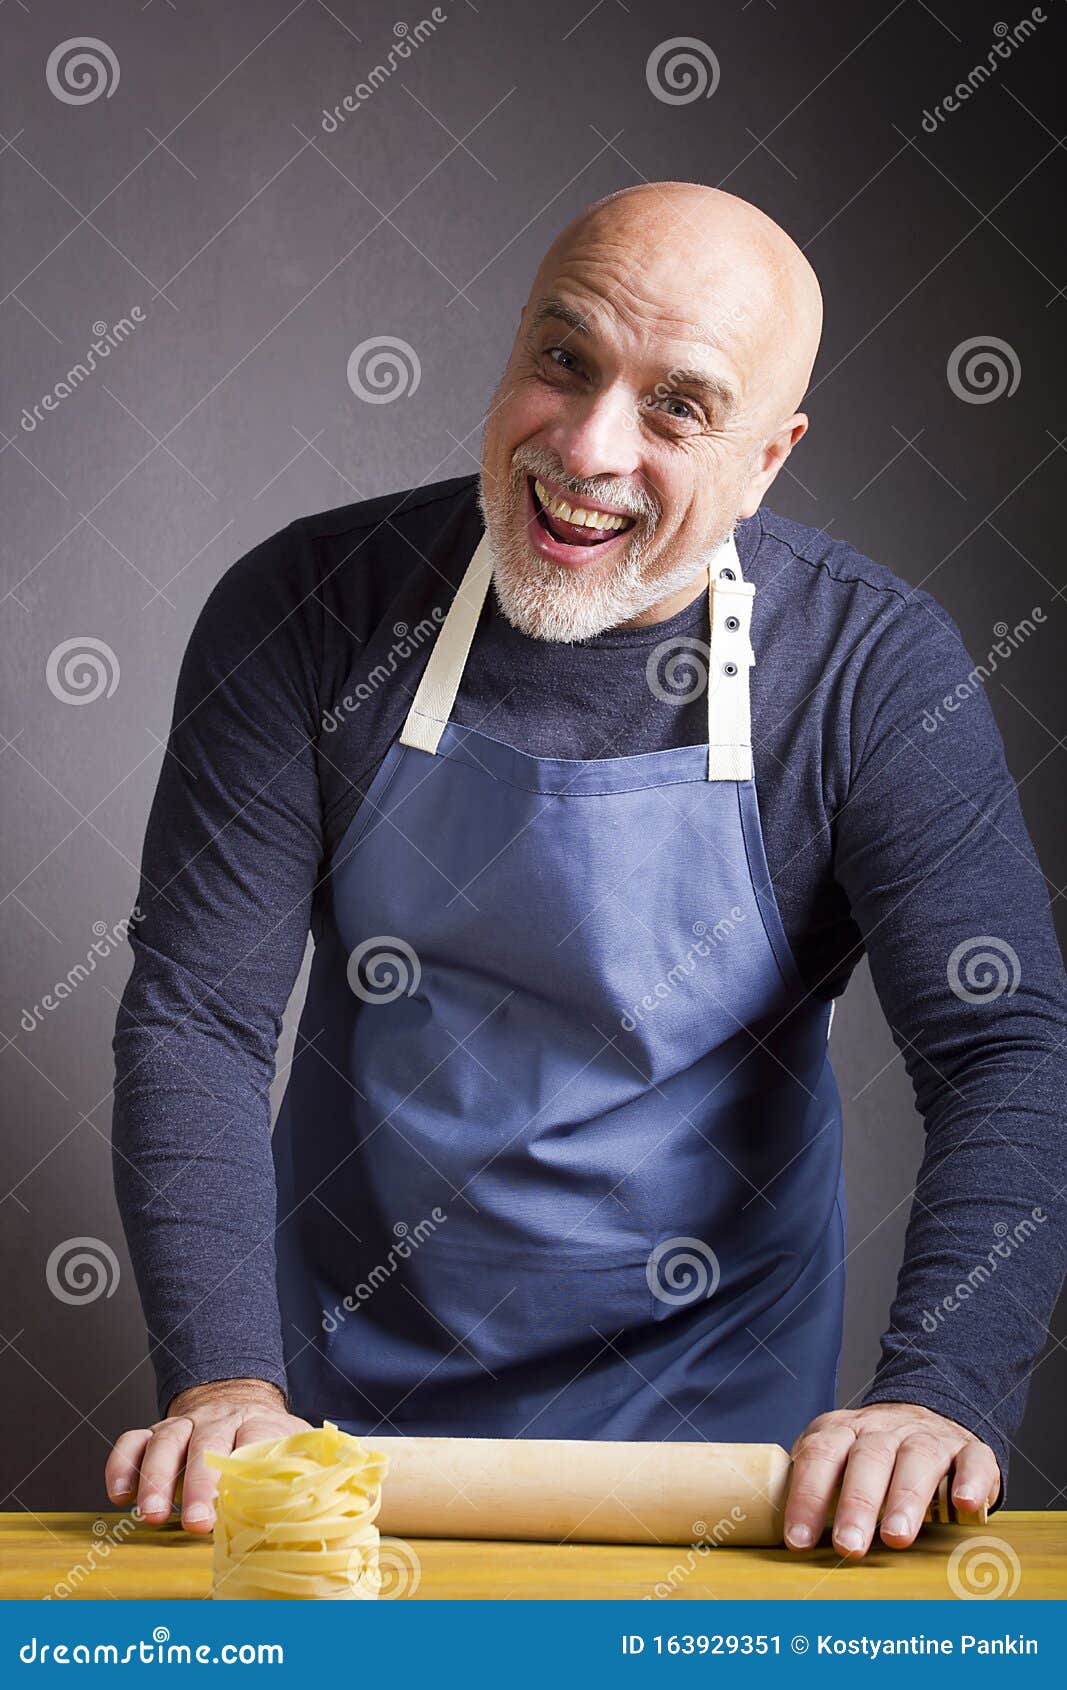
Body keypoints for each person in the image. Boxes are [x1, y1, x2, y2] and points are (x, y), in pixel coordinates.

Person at [106, 182, 1066, 1560]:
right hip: (338, 1445)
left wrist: (937, 1391)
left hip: (722, 1470)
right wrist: (222, 1376)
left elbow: (1005, 1050)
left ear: (769, 457)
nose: (588, 445)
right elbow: (198, 1015)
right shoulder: (313, 613)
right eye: (564, 360)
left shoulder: (866, 674)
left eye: (680, 405)